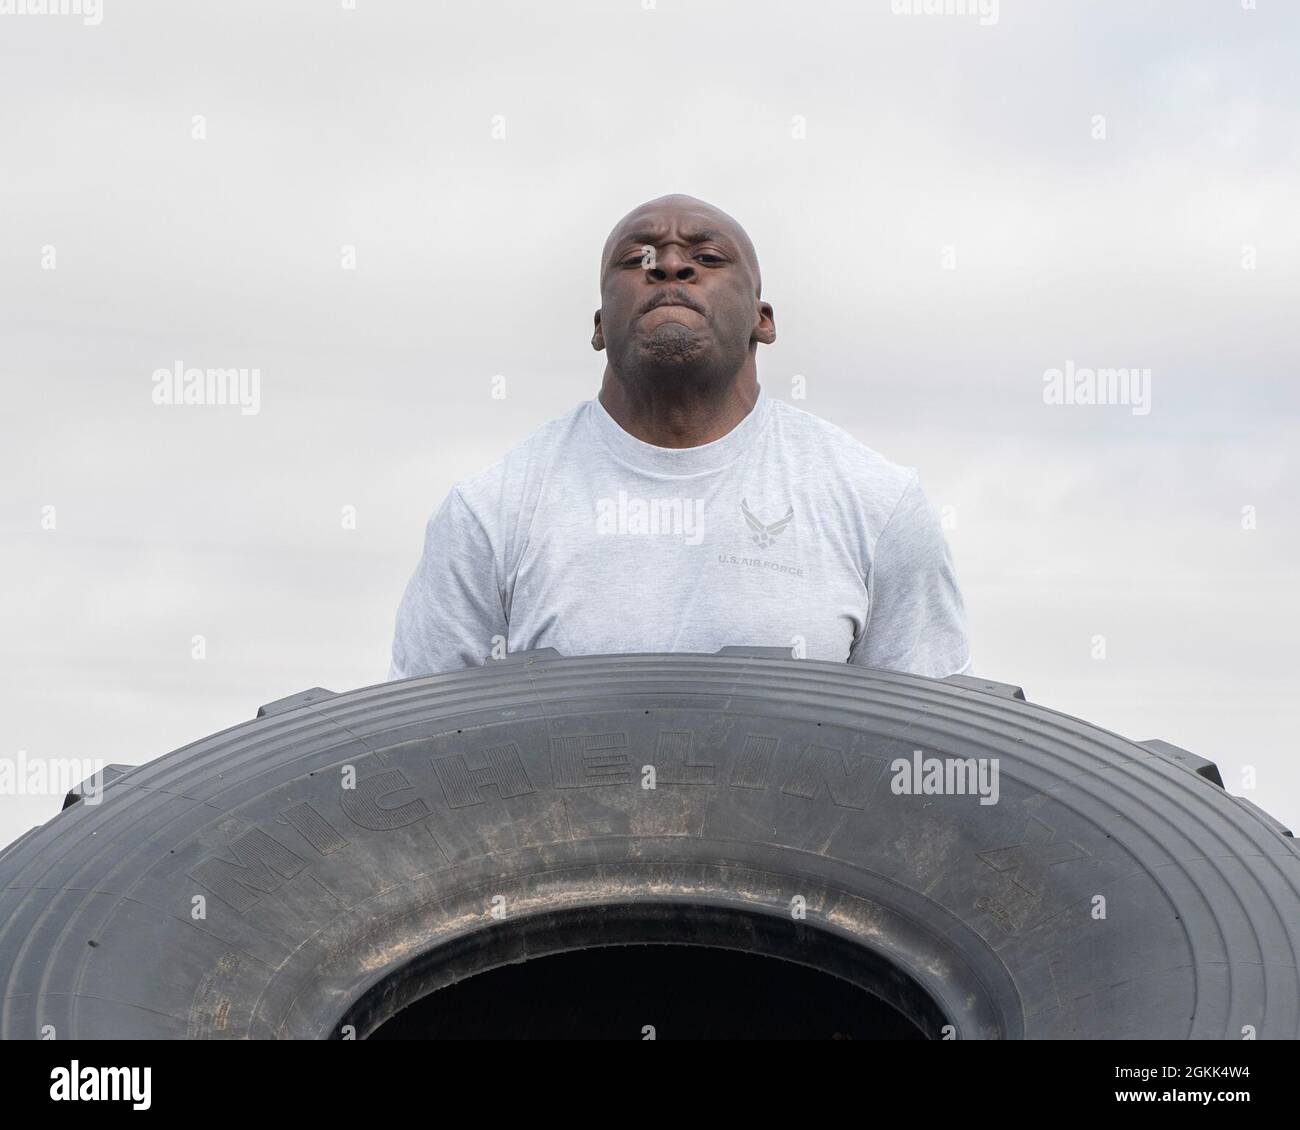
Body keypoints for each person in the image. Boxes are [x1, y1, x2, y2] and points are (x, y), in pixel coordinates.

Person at [389, 194, 972, 679]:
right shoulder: (488, 514)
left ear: (762, 320)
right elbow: (416, 753)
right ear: (598, 325)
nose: (668, 267)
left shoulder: (878, 504)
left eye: (708, 256)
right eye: (637, 259)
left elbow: (926, 753)